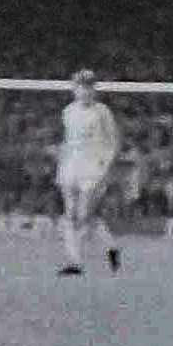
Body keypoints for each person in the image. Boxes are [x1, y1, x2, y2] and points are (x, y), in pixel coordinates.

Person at [56, 69, 122, 276]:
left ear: (94, 89)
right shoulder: (68, 112)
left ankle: (111, 245)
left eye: (88, 87)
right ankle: (74, 262)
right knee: (70, 214)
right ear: (74, 89)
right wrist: (61, 164)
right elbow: (67, 142)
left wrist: (106, 167)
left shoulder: (102, 112)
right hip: (71, 167)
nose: (84, 91)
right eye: (81, 87)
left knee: (85, 215)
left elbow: (113, 142)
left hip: (93, 168)